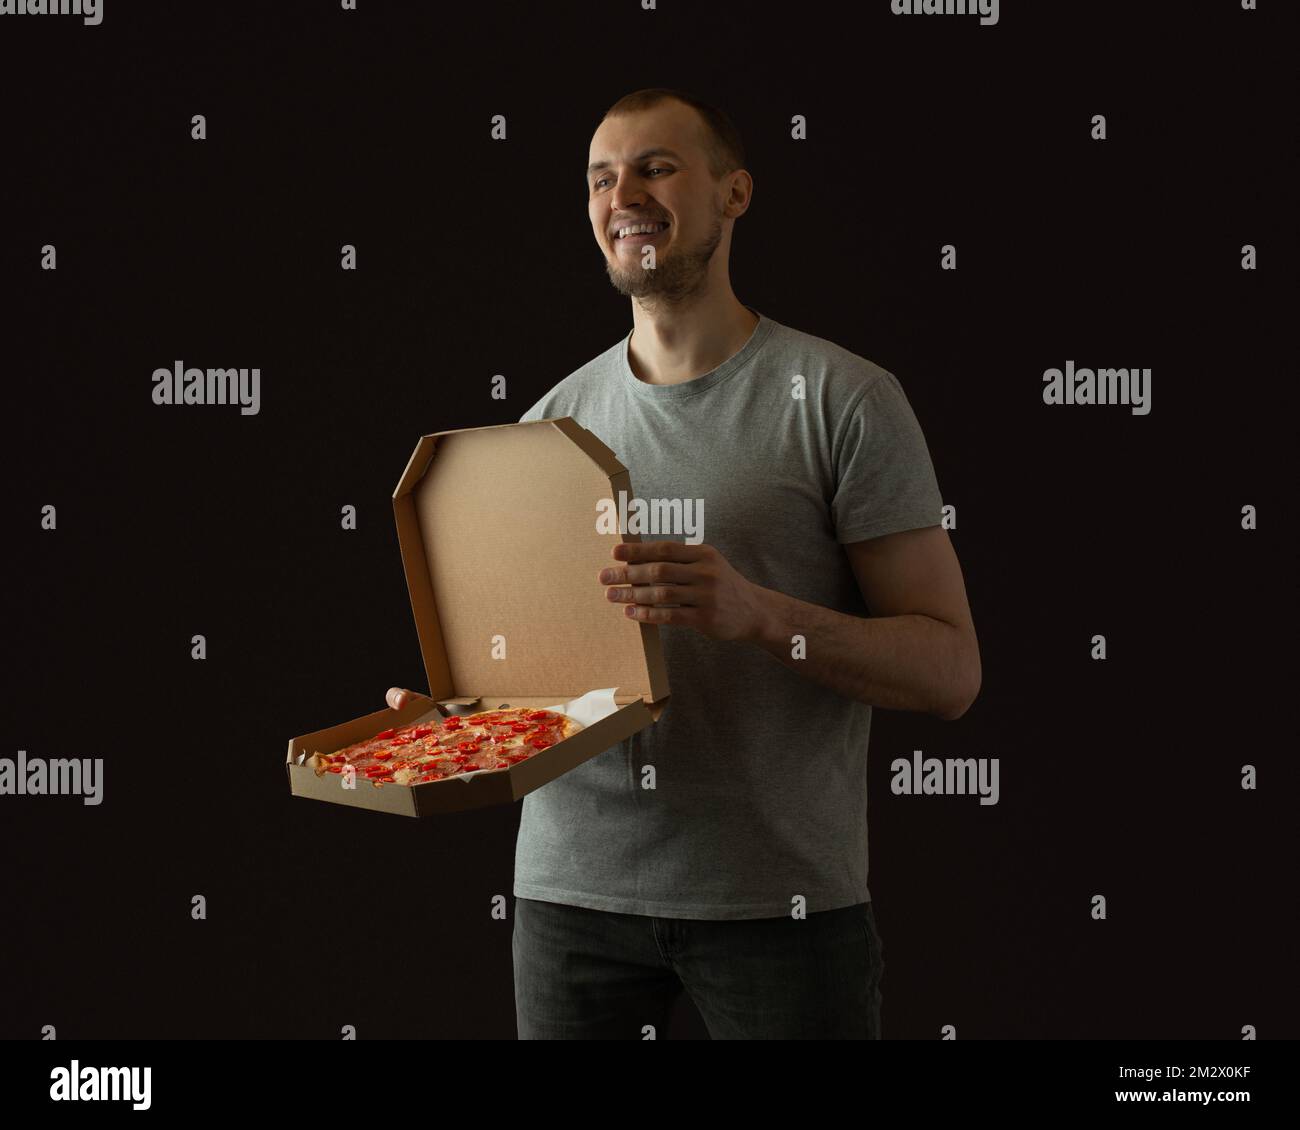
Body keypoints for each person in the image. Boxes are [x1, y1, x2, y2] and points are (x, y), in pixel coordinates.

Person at [386, 88, 981, 1040]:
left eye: (657, 166)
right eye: (600, 176)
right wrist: (454, 720)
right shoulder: (550, 421)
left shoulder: (844, 400)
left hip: (778, 909)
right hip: (570, 902)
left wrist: (759, 615)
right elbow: (540, 688)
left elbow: (951, 672)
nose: (625, 193)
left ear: (735, 193)